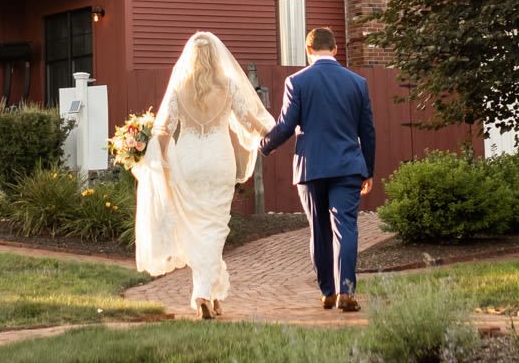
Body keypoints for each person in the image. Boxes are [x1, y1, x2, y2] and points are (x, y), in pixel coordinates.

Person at [132, 31, 275, 318]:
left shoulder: (179, 87)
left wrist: (161, 163)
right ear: (216, 56)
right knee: (215, 227)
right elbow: (249, 121)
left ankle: (210, 294)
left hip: (188, 161)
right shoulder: (228, 85)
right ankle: (203, 293)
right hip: (219, 160)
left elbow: (164, 130)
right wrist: (274, 131)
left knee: (197, 228)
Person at [259, 26, 376, 312]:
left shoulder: (296, 81)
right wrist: (368, 170)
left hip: (311, 167)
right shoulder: (358, 83)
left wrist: (264, 145)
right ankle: (346, 290)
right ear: (335, 49)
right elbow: (368, 131)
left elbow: (286, 125)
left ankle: (328, 292)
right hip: (348, 166)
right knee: (345, 227)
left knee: (319, 230)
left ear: (308, 51)